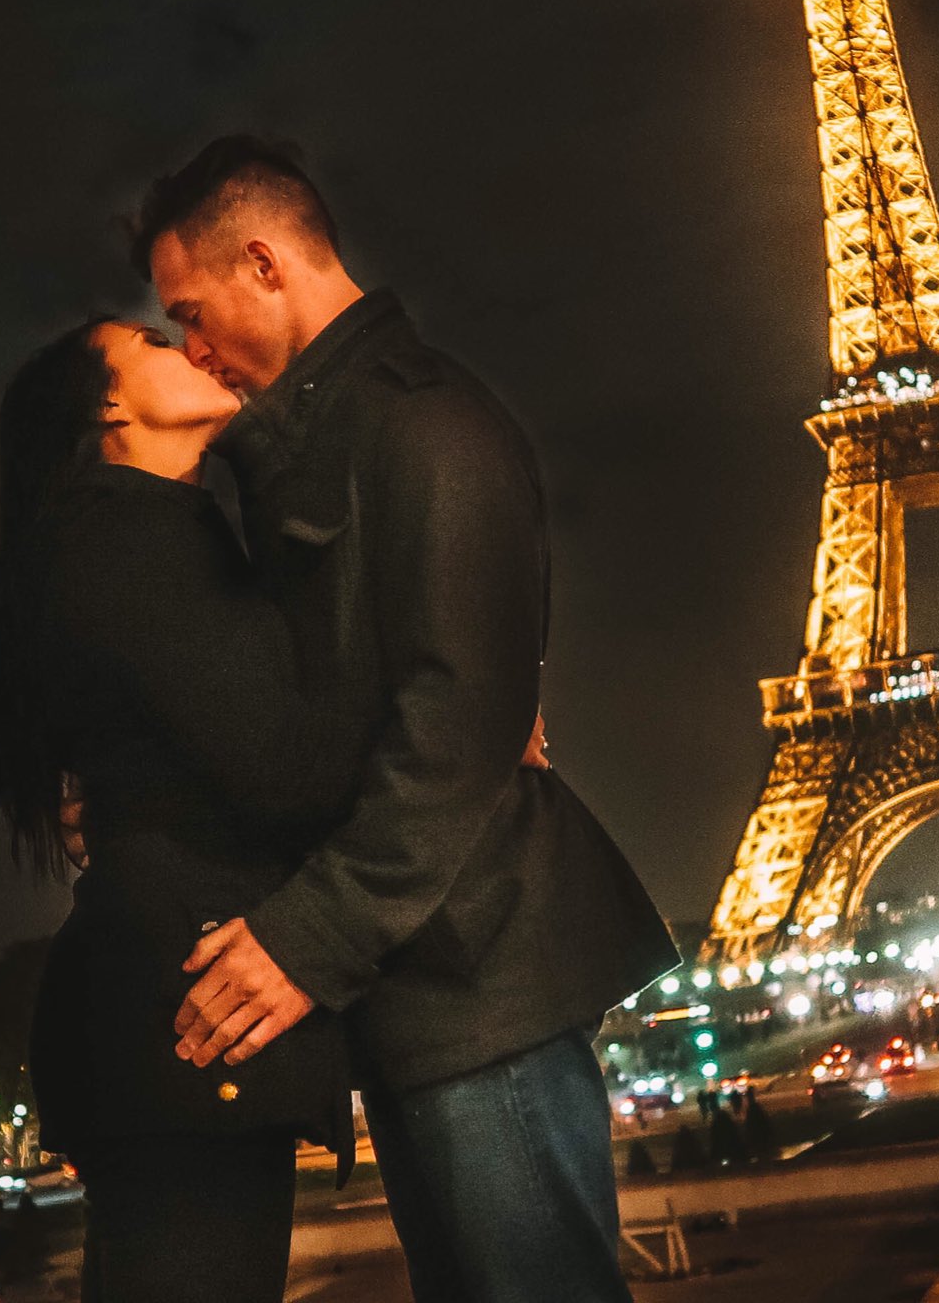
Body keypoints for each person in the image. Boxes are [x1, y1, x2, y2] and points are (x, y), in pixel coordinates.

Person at [132, 136, 679, 1302]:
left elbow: (458, 722)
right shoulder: (345, 437)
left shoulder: (424, 423)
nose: (193, 347)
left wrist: (306, 938)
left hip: (474, 980)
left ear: (265, 262)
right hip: (432, 980)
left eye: (191, 312)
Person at [0, 317, 364, 1303]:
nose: (191, 347)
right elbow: (286, 763)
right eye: (154, 340)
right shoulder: (130, 542)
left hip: (166, 1024)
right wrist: (458, 708)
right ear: (109, 403)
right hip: (191, 1019)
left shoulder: (126, 537)